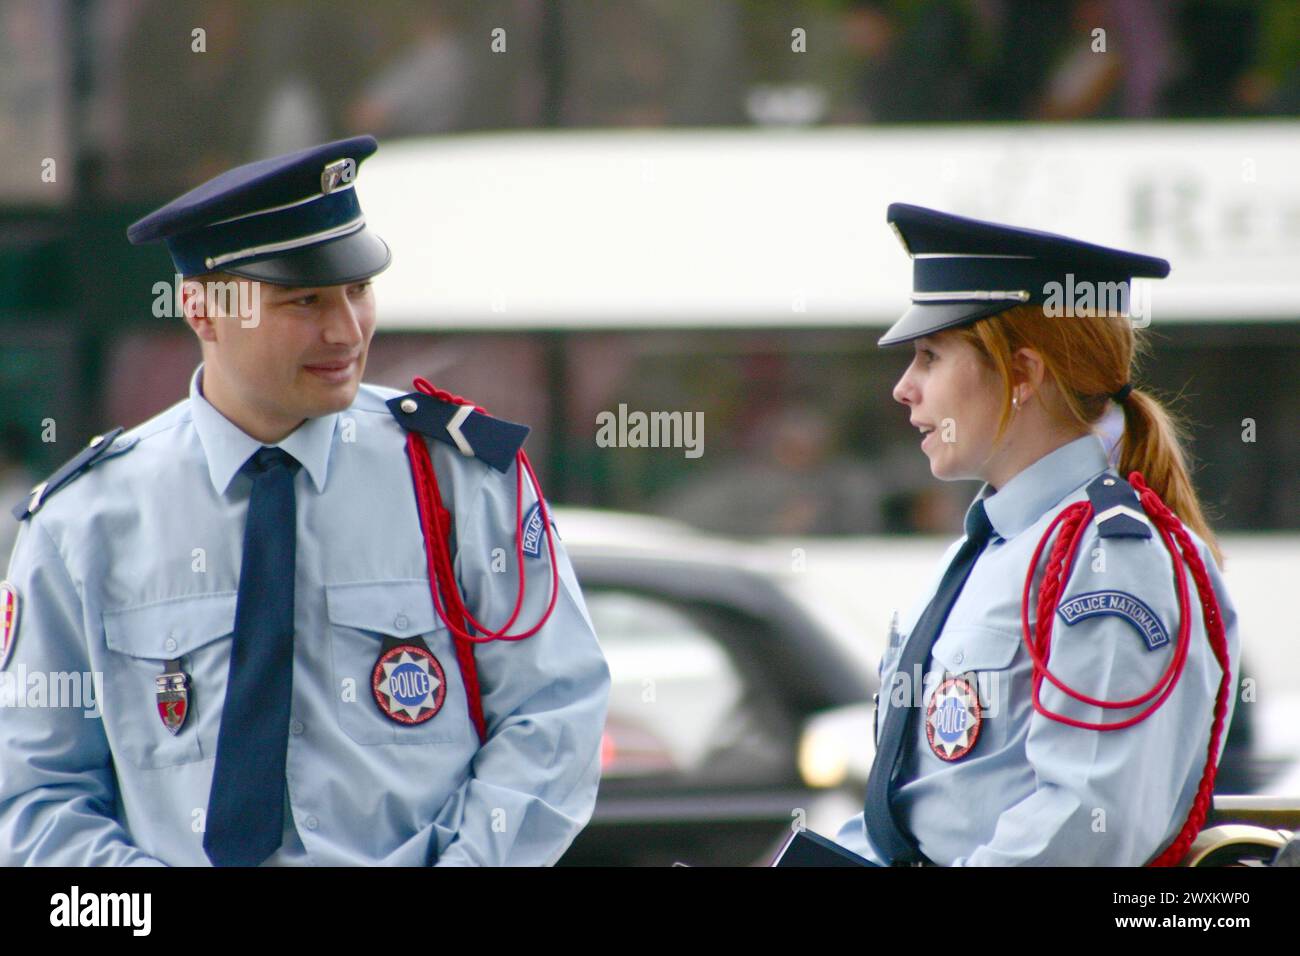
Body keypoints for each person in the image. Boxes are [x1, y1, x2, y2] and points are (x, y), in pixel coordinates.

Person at [0, 135, 611, 866]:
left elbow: (554, 714)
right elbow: (34, 794)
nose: (347, 331)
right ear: (202, 309)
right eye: (305, 301)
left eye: (359, 290)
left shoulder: (461, 481)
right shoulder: (84, 524)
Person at [834, 203, 1240, 866]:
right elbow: (916, 813)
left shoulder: (1111, 560)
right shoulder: (992, 550)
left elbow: (1085, 824)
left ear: (1022, 374)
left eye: (930, 356)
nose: (904, 389)